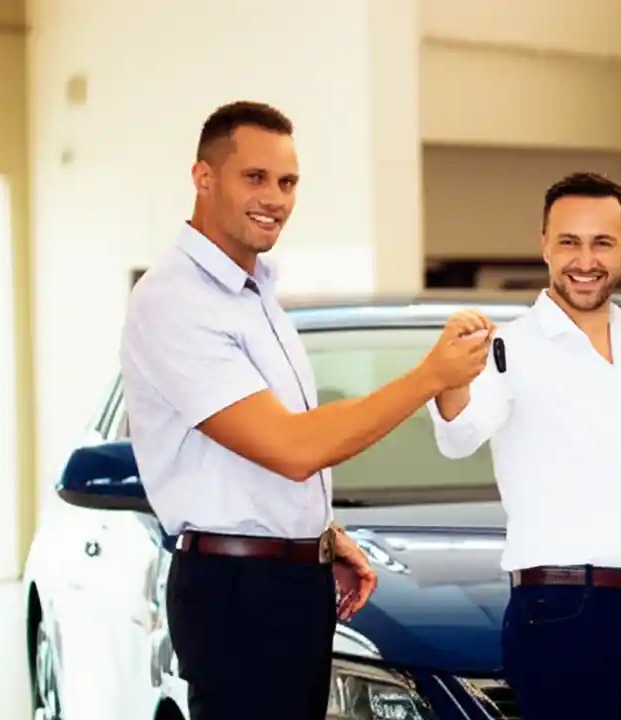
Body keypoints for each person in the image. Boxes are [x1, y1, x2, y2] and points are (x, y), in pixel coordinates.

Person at [119, 100, 490, 720]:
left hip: (287, 584)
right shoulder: (174, 299)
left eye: (288, 182)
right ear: (203, 178)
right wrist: (431, 376)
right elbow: (292, 447)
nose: (275, 198)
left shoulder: (256, 293)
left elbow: (249, 459)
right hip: (237, 593)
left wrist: (317, 533)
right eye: (255, 177)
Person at [426, 172, 621, 719]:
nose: (586, 260)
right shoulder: (506, 346)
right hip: (560, 613)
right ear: (544, 246)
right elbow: (458, 437)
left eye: (602, 242)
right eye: (569, 242)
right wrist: (451, 374)